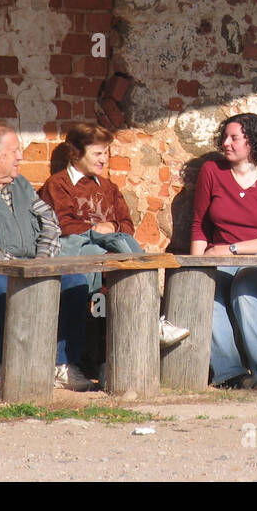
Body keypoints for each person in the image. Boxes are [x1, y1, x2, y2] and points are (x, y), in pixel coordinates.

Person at [0, 122, 94, 392]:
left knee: (76, 282)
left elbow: (50, 222)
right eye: (14, 151)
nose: (20, 157)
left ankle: (63, 365)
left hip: (30, 265)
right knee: (0, 284)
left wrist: (41, 262)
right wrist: (15, 267)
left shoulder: (21, 185)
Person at [39, 122, 189, 349]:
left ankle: (149, 322)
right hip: (80, 255)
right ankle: (150, 324)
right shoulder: (58, 185)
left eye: (106, 153)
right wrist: (96, 232)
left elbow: (127, 225)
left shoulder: (109, 188)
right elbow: (61, 225)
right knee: (113, 258)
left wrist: (112, 225)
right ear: (77, 153)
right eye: (97, 153)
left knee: (123, 244)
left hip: (110, 259)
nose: (103, 159)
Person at [190, 113, 257, 389]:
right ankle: (230, 374)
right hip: (221, 261)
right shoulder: (212, 173)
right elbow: (199, 224)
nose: (226, 143)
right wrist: (196, 265)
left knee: (245, 288)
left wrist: (232, 249)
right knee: (205, 289)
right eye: (224, 137)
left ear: (251, 142)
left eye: (234, 138)